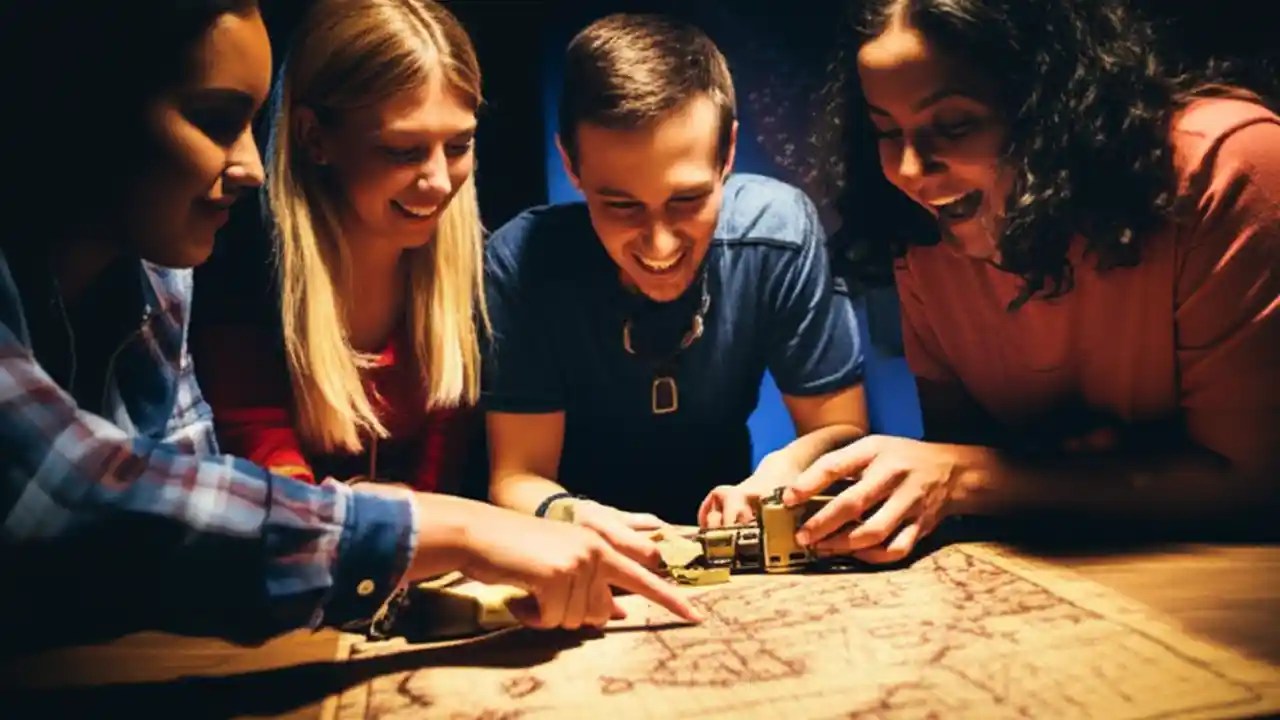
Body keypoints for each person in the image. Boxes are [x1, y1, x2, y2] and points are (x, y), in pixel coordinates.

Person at [0, 0, 697, 654]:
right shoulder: (230, 265)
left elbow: (186, 489)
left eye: (459, 146)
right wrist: (450, 527)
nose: (246, 166)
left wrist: (534, 520)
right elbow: (107, 500)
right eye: (402, 150)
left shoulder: (163, 278)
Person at [762, 0, 1280, 564]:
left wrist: (973, 477)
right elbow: (961, 470)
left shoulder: (1227, 169)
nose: (910, 170)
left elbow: (1257, 485)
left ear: (1055, 107)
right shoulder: (925, 235)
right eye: (885, 131)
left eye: (955, 124)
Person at [482, 13, 868, 565]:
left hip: (729, 553)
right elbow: (517, 476)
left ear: (727, 154)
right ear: (570, 161)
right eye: (621, 206)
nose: (659, 246)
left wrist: (784, 473)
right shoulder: (521, 263)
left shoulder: (778, 235)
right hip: (572, 558)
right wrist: (573, 514)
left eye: (686, 201)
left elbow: (843, 431)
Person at [192, 0, 485, 497]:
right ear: (313, 137)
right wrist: (377, 525)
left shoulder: (469, 265)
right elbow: (264, 471)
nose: (438, 181)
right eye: (403, 150)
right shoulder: (245, 265)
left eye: (458, 146)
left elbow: (444, 476)